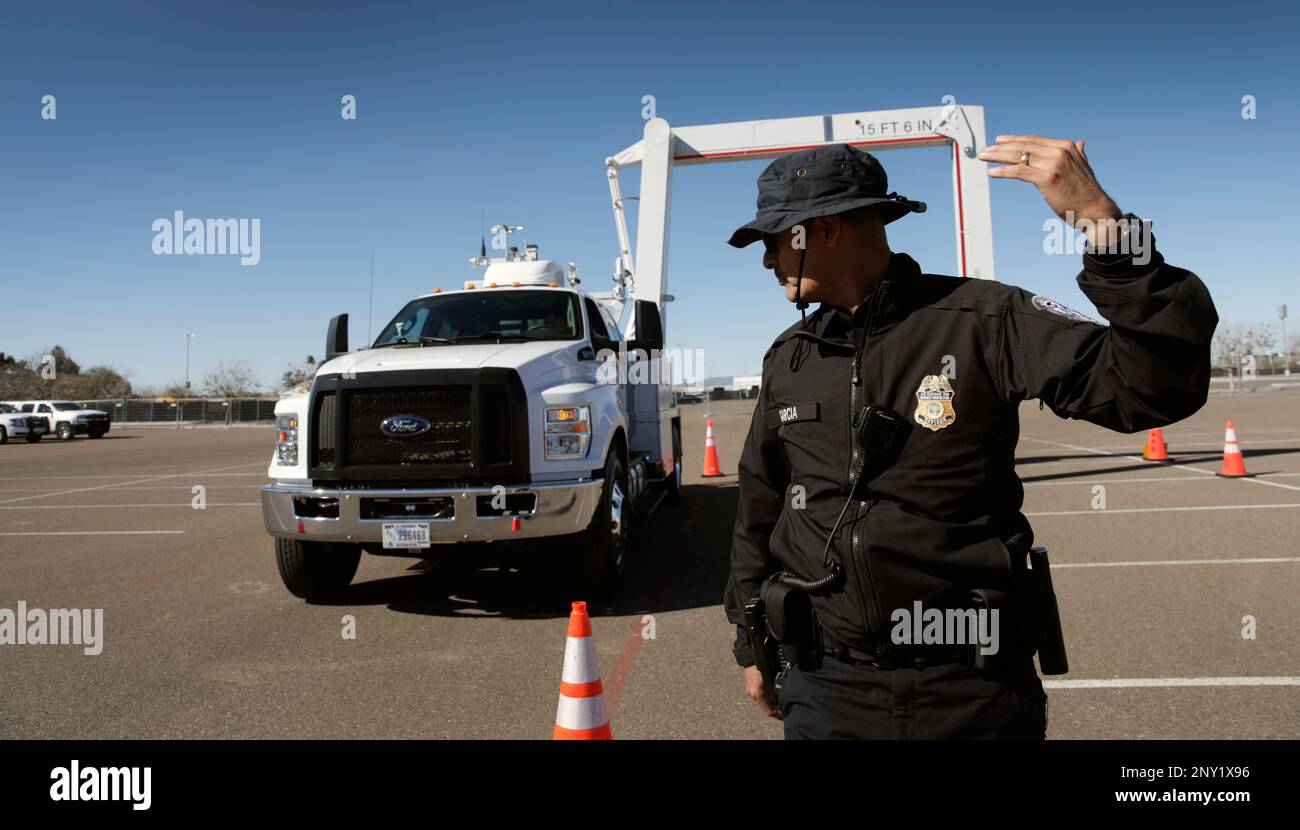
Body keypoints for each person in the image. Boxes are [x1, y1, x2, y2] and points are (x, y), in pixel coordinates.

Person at [722, 138, 1218, 739]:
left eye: (775, 242)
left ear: (822, 230)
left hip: (972, 692)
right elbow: (759, 508)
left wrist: (1103, 225)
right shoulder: (790, 359)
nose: (768, 262)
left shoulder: (986, 321)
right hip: (829, 688)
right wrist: (753, 645)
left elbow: (1153, 387)